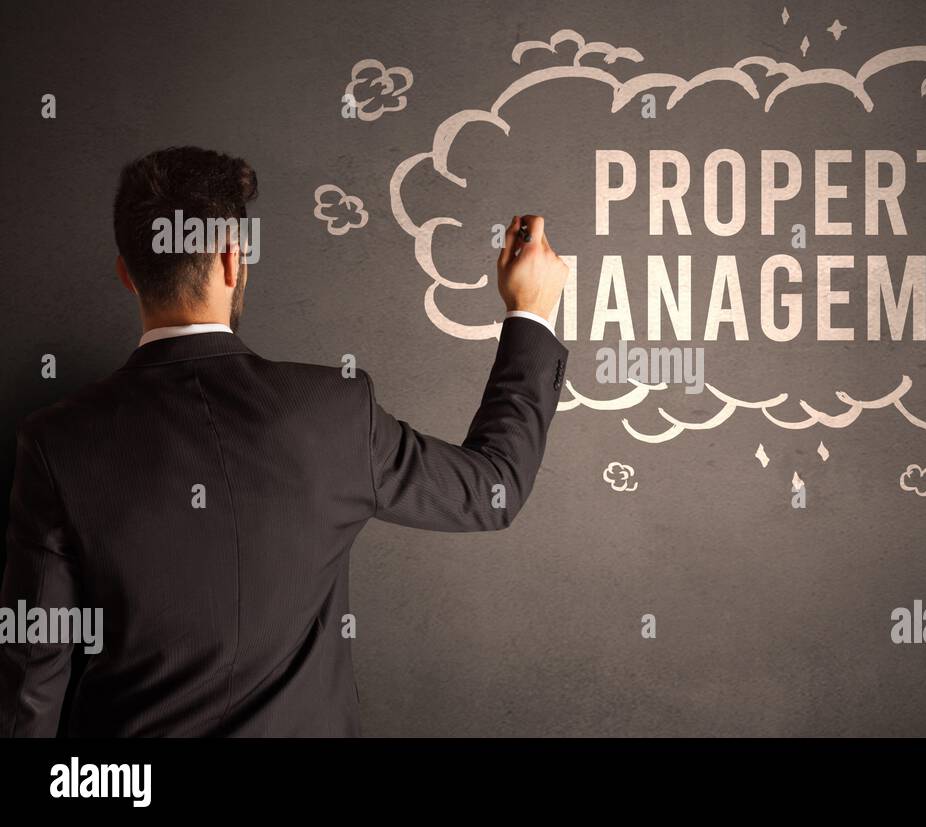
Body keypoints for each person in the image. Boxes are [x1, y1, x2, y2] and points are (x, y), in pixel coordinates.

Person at [0, 146, 569, 736]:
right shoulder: (332, 410)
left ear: (126, 272)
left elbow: (31, 682)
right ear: (232, 259)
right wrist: (530, 314)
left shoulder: (55, 442)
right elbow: (492, 490)